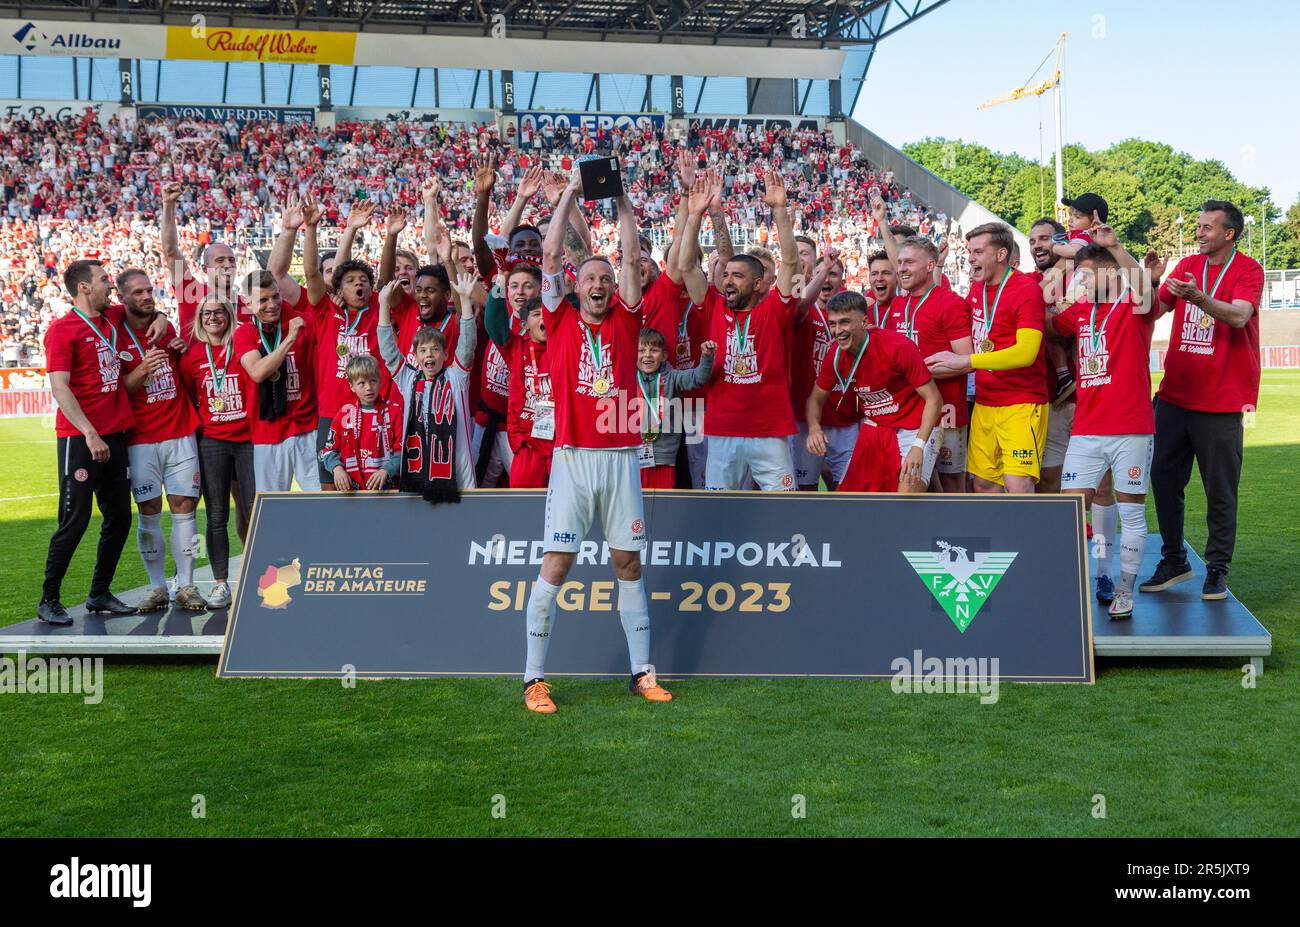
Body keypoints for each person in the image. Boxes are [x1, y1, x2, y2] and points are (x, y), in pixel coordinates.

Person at [522, 167, 666, 715]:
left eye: (606, 279)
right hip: (574, 459)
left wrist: (622, 198)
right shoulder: (558, 320)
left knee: (628, 565)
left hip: (622, 457)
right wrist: (569, 198)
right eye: (591, 279)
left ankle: (642, 673)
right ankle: (534, 678)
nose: (601, 285)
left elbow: (631, 256)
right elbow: (552, 255)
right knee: (556, 567)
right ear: (576, 286)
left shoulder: (628, 321)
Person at [1141, 200, 1265, 601]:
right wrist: (1149, 279)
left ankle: (1217, 570)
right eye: (1198, 226)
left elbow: (1239, 316)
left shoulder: (1248, 269)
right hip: (1176, 395)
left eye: (1207, 227)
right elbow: (1151, 310)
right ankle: (1175, 558)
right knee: (1163, 479)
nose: (1199, 232)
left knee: (1220, 490)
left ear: (1228, 234)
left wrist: (1198, 298)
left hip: (1223, 402)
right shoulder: (1186, 266)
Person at [1048, 238, 1157, 619]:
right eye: (1081, 278)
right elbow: (1045, 319)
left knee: (1132, 515)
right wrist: (1059, 267)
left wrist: (1116, 248)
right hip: (1087, 429)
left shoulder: (1134, 307)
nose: (1084, 284)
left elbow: (1143, 287)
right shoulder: (1078, 312)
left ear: (1112, 273)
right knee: (1070, 509)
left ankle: (1124, 592)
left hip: (1131, 428)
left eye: (1090, 276)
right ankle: (1092, 575)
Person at [678, 171, 803, 491]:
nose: (728, 280)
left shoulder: (775, 310)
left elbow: (790, 263)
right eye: (726, 274)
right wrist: (694, 216)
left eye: (737, 276)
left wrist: (779, 210)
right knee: (721, 513)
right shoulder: (713, 306)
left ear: (759, 284)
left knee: (783, 511)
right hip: (722, 431)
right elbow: (687, 267)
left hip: (770, 432)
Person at [38, 260, 137, 624]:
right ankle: (49, 598)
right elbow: (59, 387)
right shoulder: (62, 331)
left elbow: (141, 309)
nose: (109, 284)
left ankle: (99, 592)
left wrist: (158, 320)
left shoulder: (111, 317)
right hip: (80, 439)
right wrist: (89, 432)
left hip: (115, 435)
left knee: (120, 519)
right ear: (83, 287)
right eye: (103, 279)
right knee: (75, 520)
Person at [926, 223, 1049, 494]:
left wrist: (967, 362)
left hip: (1021, 403)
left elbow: (1026, 353)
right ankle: (999, 539)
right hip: (985, 402)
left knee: (1018, 484)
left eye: (978, 252)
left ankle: (1022, 538)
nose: (970, 258)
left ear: (1001, 254)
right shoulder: (977, 290)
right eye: (970, 252)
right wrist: (937, 267)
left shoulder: (1025, 290)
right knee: (983, 484)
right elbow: (941, 303)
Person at [118, 268, 206, 611]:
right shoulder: (114, 331)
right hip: (140, 438)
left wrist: (172, 333)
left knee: (185, 508)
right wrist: (142, 370)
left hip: (180, 432)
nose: (145, 297)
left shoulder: (165, 326)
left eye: (148, 291)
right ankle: (156, 587)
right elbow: (118, 391)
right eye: (137, 292)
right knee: (149, 511)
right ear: (122, 298)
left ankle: (186, 585)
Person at [809, 291, 942, 493]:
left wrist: (918, 445)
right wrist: (813, 428)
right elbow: (815, 399)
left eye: (844, 322)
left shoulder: (897, 347)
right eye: (833, 323)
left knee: (907, 495)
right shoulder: (835, 355)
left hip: (915, 426)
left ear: (864, 321)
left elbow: (934, 399)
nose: (838, 331)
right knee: (851, 495)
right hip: (877, 426)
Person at [377, 270, 477, 501]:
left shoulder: (457, 378)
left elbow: (468, 342)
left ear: (445, 354)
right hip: (418, 469)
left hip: (457, 472)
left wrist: (464, 300)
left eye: (435, 350)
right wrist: (383, 304)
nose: (429, 355)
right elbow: (388, 351)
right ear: (415, 355)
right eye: (423, 351)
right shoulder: (409, 380)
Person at [179, 294, 252, 609]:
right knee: (217, 515)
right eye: (206, 313)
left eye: (219, 312)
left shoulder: (244, 345)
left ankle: (258, 578)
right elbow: (188, 394)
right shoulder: (192, 355)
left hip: (249, 439)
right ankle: (221, 584)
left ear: (229, 315)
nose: (213, 317)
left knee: (254, 512)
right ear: (199, 318)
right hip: (212, 441)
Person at [889, 237, 973, 492]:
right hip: (907, 410)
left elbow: (966, 360)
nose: (901, 268)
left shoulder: (949, 302)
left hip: (946, 410)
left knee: (951, 483)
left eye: (909, 262)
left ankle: (955, 532)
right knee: (915, 480)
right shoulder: (898, 303)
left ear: (930, 266)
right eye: (900, 262)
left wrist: (918, 374)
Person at [233, 271, 320, 492]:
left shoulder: (301, 321)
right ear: (247, 302)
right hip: (267, 431)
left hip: (306, 426)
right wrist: (289, 339)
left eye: (275, 296)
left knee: (322, 501)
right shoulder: (244, 333)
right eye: (263, 300)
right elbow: (257, 372)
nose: (272, 304)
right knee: (271, 505)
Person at [634, 328, 715, 488]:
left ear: (664, 356)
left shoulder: (673, 377)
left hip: (665, 458)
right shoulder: (627, 377)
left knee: (662, 505)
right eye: (641, 350)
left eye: (654, 350)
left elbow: (698, 378)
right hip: (634, 457)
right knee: (637, 507)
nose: (647, 355)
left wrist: (706, 358)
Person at [320, 354, 403, 492]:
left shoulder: (394, 411)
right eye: (362, 383)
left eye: (373, 381)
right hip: (352, 494)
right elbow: (328, 451)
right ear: (352, 386)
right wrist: (337, 468)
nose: (369, 387)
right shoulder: (344, 414)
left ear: (380, 381)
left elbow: (403, 451)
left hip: (389, 493)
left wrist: (387, 470)